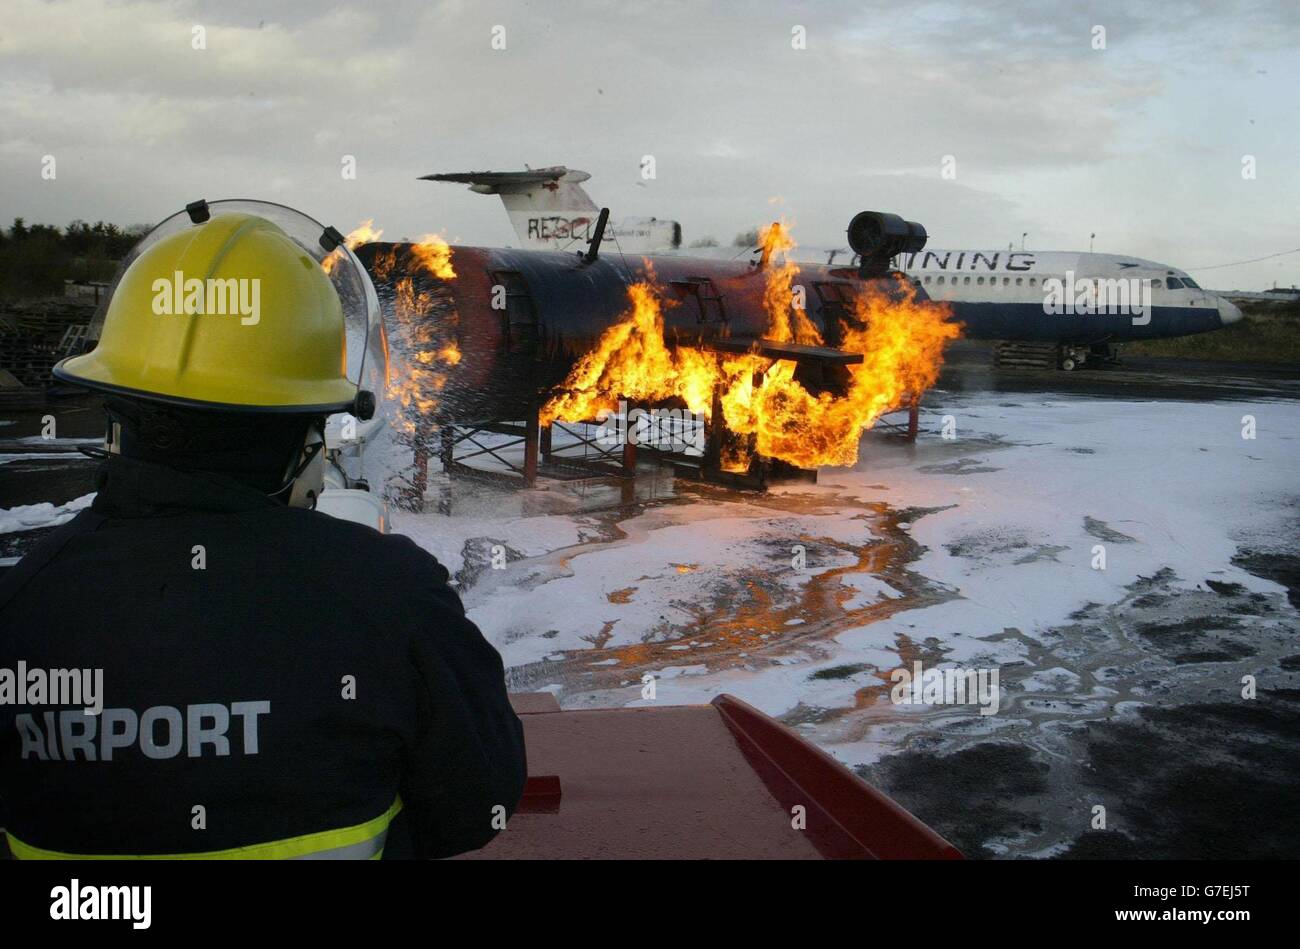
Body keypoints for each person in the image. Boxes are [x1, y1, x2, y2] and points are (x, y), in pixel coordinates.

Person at [0, 200, 526, 859]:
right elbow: (481, 805)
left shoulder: (22, 606)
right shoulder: (393, 597)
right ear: (304, 429)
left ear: (120, 409)